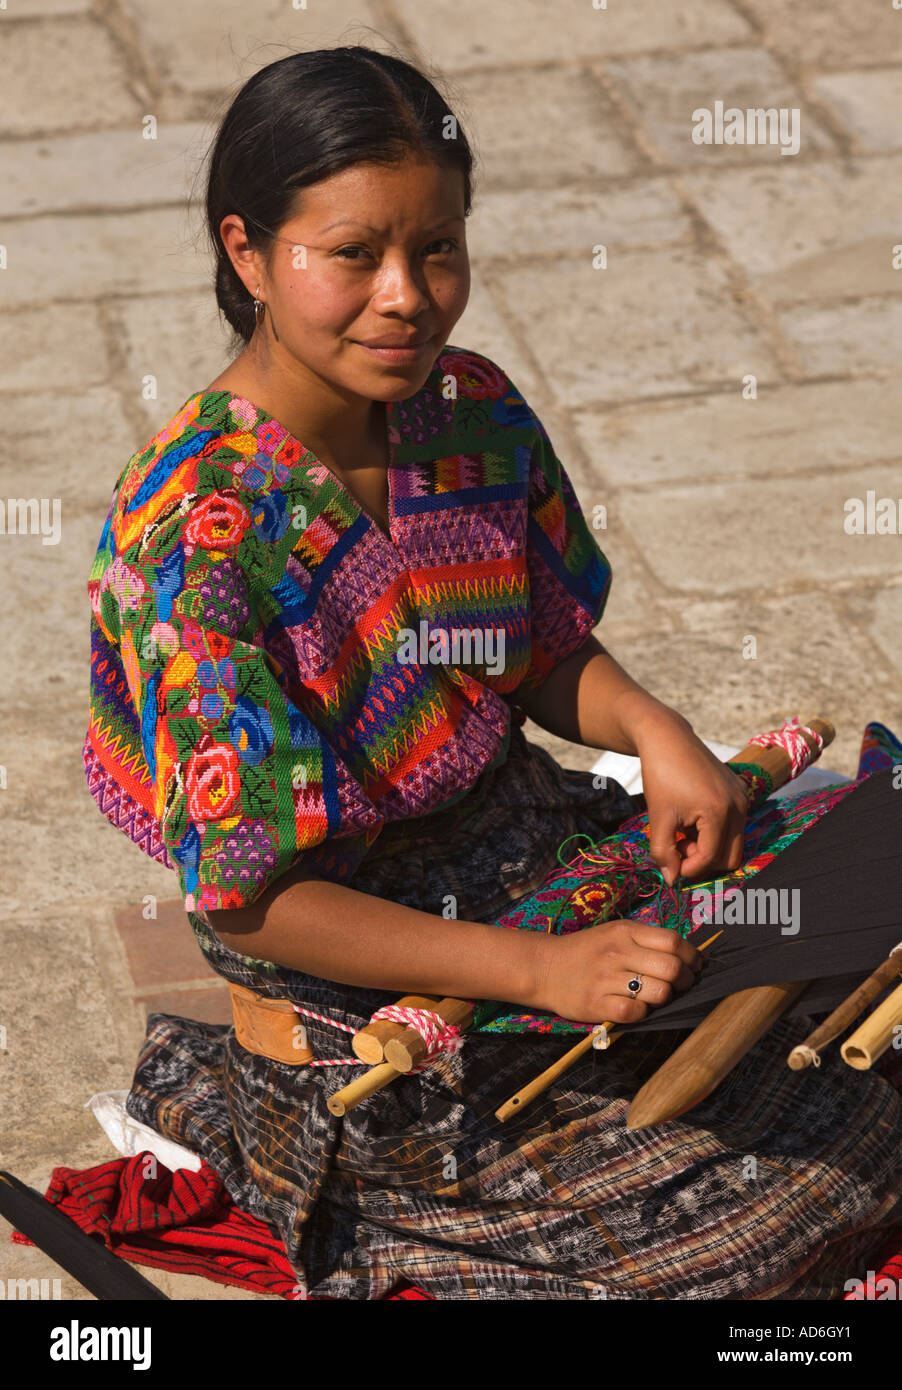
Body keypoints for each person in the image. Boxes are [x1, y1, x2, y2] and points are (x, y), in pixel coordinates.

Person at [83, 45, 902, 1300]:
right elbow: (251, 900)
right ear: (247, 253)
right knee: (733, 1240)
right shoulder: (194, 542)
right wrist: (536, 973)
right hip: (364, 975)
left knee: (831, 959)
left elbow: (521, 653)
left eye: (439, 249)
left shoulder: (461, 408)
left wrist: (650, 723)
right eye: (352, 253)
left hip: (533, 857)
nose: (407, 296)